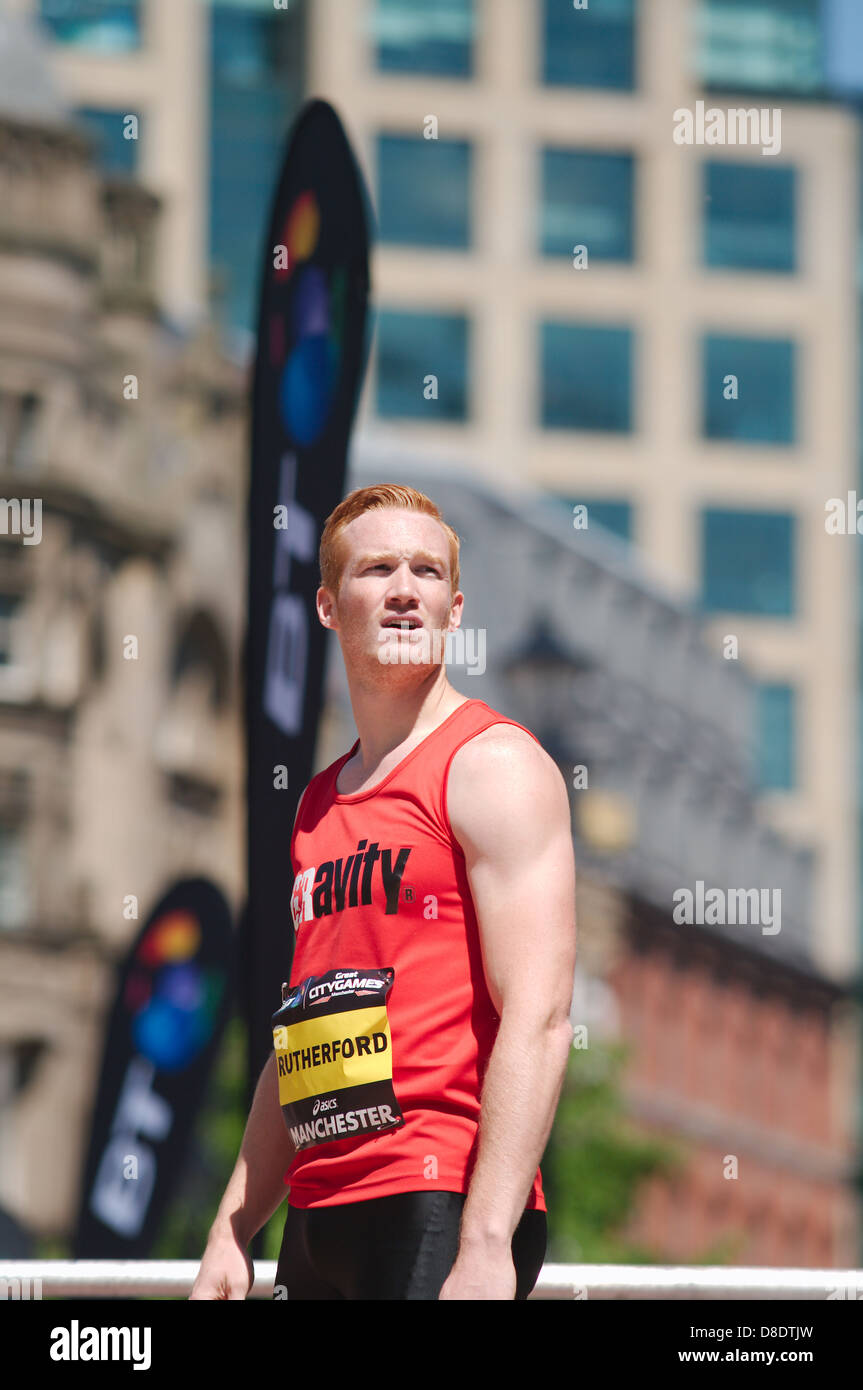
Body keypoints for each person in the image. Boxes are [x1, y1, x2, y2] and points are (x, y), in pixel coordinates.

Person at [190, 484, 577, 1301]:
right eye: (378, 569)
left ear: (454, 607)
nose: (405, 589)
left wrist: (484, 1238)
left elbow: (539, 1016)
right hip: (323, 1202)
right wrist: (233, 1225)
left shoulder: (492, 766)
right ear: (329, 608)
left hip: (440, 1197)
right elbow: (299, 1035)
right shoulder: (317, 805)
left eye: (427, 572)